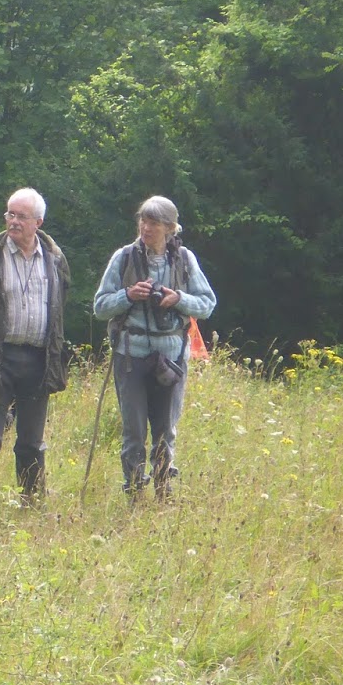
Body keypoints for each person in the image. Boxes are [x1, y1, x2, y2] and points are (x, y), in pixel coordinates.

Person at [0, 187, 71, 516]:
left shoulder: (54, 258)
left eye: (21, 216)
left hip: (39, 359)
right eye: (10, 214)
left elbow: (60, 304)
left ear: (38, 222)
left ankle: (31, 507)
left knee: (32, 441)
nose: (13, 221)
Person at [92, 196, 217, 501]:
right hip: (130, 356)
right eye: (143, 221)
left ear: (170, 228)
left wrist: (179, 299)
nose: (145, 228)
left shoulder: (184, 259)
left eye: (153, 223)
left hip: (172, 357)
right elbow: (100, 307)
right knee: (134, 431)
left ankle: (163, 490)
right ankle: (134, 492)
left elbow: (207, 304)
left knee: (166, 429)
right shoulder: (123, 257)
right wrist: (128, 295)